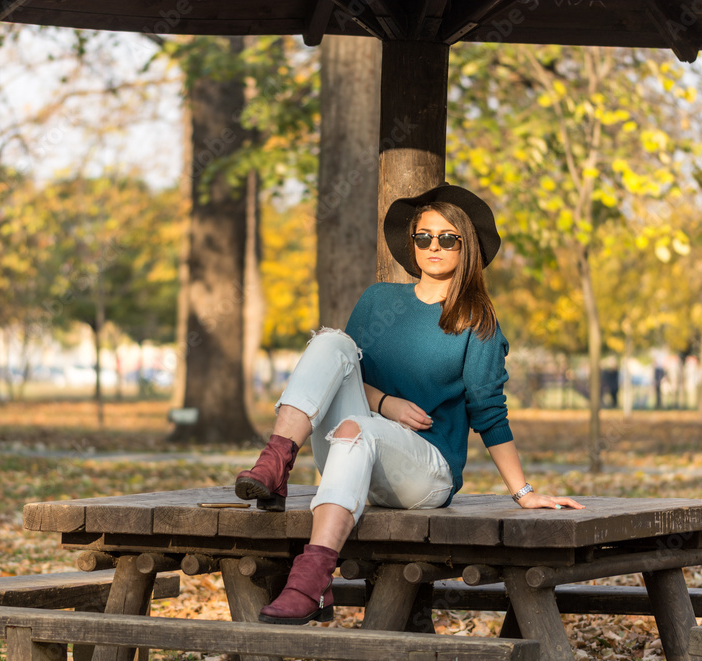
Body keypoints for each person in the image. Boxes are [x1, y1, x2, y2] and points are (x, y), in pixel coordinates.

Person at [235, 183, 585, 625]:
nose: (433, 246)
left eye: (447, 238)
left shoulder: (477, 322)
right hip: (352, 454)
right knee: (329, 343)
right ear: (412, 243)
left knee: (354, 429)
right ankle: (275, 463)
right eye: (424, 236)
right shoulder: (378, 300)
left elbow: (489, 412)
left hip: (424, 475)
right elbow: (339, 377)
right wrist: (384, 403)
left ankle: (311, 576)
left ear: (466, 246)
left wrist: (524, 492)